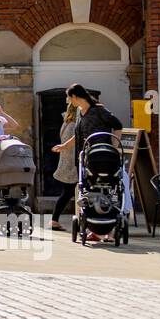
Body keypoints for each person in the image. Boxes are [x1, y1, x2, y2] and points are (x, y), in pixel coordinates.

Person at [66, 83, 126, 241]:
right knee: (89, 191)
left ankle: (109, 231)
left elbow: (117, 125)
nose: (69, 101)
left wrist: (114, 147)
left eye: (70, 98)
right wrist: (65, 146)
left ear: (76, 97)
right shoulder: (81, 112)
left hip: (103, 158)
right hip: (86, 159)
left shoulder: (99, 110)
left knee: (107, 191)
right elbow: (78, 135)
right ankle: (94, 229)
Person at [50, 103, 81, 231]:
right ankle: (54, 220)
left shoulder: (67, 123)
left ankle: (55, 220)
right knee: (69, 193)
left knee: (67, 193)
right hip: (72, 163)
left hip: (66, 162)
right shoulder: (74, 125)